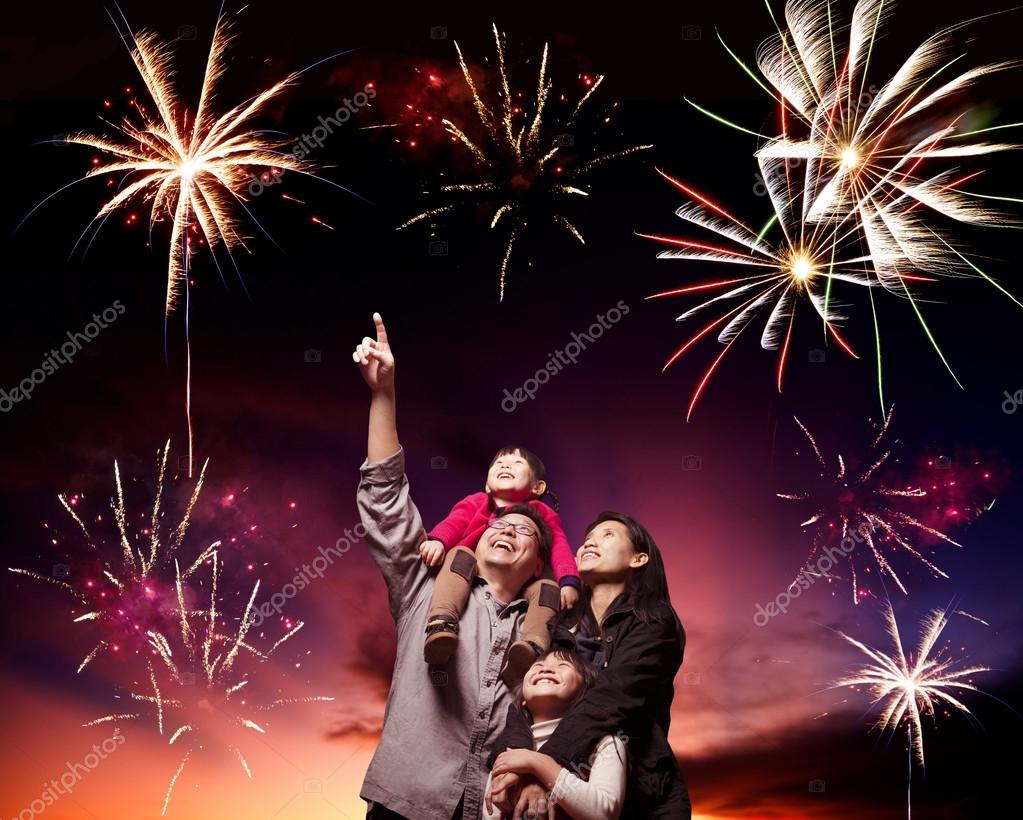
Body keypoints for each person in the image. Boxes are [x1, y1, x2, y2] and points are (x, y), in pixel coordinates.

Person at [351, 313, 557, 820]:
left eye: (526, 531)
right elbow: (386, 500)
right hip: (404, 802)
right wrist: (383, 395)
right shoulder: (424, 589)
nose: (509, 529)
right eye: (500, 526)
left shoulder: (551, 631)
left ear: (538, 566)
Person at [486, 513, 691, 819]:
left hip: (644, 799)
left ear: (638, 559)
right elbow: (524, 699)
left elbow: (613, 697)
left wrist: (543, 767)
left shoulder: (654, 619)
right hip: (573, 791)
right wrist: (514, 761)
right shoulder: (560, 627)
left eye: (607, 535)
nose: (590, 542)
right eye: (587, 538)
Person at [421, 446, 580, 685]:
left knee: (547, 588)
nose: (505, 466)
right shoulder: (477, 502)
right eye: (499, 463)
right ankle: (442, 623)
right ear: (487, 484)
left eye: (517, 463)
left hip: (522, 582)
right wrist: (438, 541)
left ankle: (531, 648)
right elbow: (455, 522)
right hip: (472, 571)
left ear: (538, 487)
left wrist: (568, 580)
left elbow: (559, 546)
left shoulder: (542, 512)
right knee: (461, 554)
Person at [482, 649, 627, 820]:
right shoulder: (507, 749)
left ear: (587, 694)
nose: (545, 669)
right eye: (538, 666)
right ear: (523, 700)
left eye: (563, 665)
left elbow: (605, 813)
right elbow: (491, 813)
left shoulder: (605, 743)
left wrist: (538, 763)